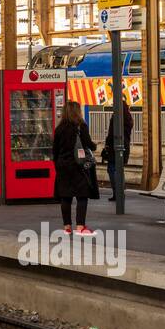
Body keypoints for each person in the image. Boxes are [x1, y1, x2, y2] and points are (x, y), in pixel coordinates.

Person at [53, 100, 98, 235]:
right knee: (82, 196)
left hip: (63, 166)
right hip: (78, 166)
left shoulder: (59, 129)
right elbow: (88, 143)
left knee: (65, 197)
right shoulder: (81, 126)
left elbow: (54, 150)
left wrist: (57, 164)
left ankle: (67, 227)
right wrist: (95, 146)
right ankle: (80, 226)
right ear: (77, 112)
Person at [102, 99, 134, 202]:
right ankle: (119, 193)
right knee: (119, 170)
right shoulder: (128, 118)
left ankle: (117, 193)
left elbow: (111, 134)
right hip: (124, 147)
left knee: (112, 170)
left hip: (115, 148)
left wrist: (107, 144)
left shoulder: (116, 118)